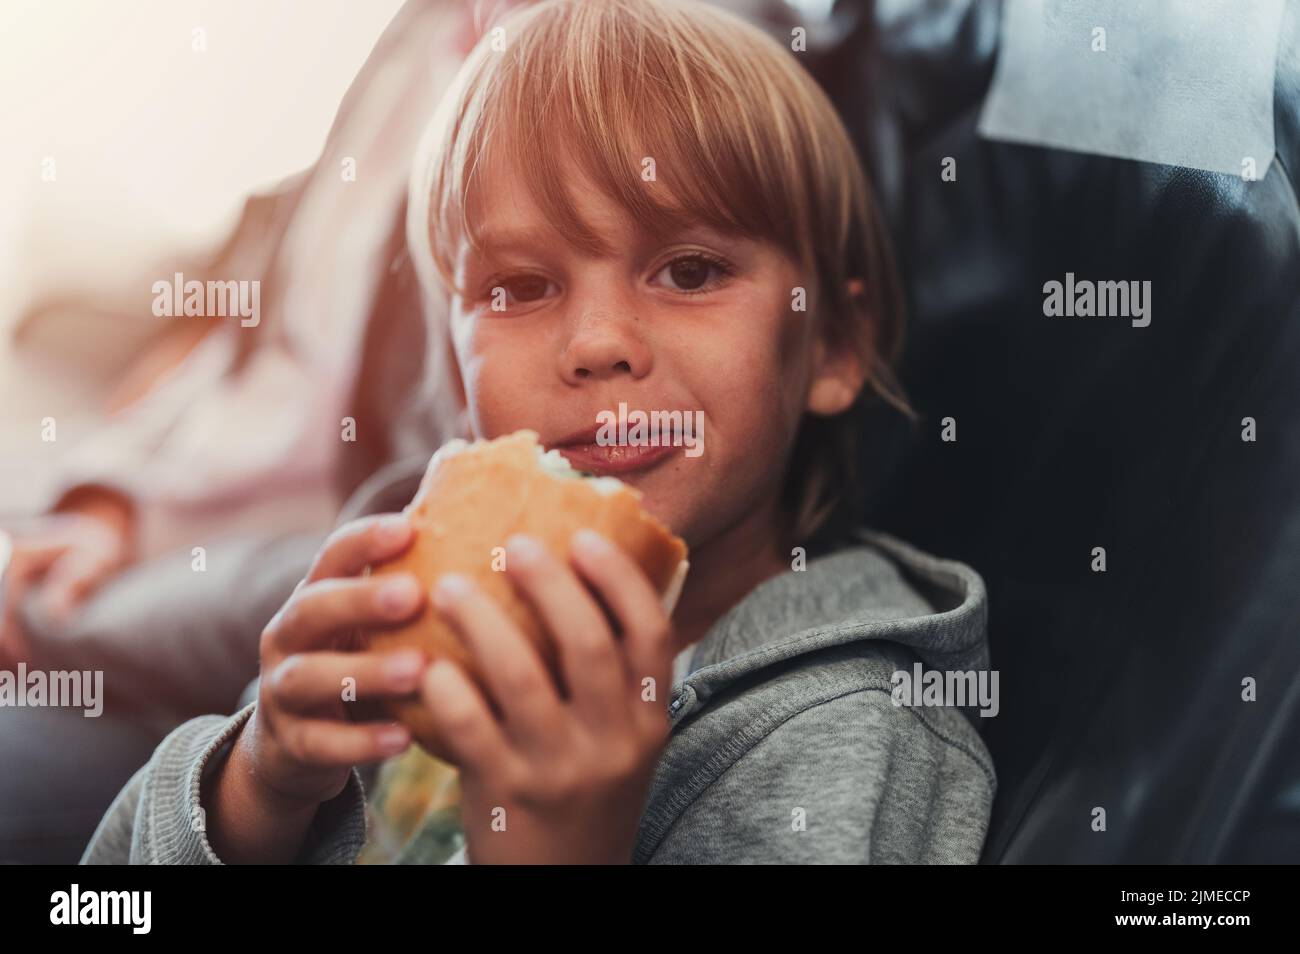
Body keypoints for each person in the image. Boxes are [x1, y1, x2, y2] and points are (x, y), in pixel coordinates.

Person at [83, 0, 995, 865]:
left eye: (688, 271)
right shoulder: (404, 598)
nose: (596, 344)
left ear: (833, 344)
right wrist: (256, 790)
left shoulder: (851, 732)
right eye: (518, 288)